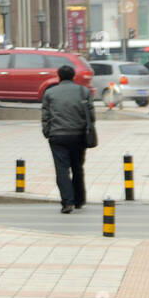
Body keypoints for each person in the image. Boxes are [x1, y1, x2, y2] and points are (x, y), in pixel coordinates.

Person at [41, 64, 96, 213]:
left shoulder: (50, 93)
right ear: (73, 76)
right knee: (77, 167)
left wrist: (47, 132)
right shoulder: (83, 91)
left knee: (62, 169)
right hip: (78, 135)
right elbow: (91, 114)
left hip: (57, 136)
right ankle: (79, 200)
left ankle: (67, 202)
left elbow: (45, 116)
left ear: (58, 76)